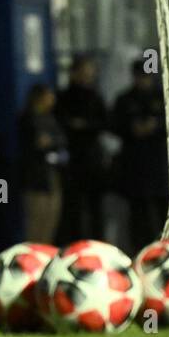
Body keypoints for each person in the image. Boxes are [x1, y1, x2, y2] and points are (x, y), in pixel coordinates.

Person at [112, 61, 168, 251]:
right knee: (139, 214)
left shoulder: (163, 97)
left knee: (164, 210)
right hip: (136, 166)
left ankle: (167, 248)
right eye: (140, 77)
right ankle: (141, 251)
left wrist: (156, 126)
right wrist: (133, 128)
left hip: (161, 165)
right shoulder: (125, 99)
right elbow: (114, 125)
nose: (144, 81)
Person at [55, 54, 108, 243]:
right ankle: (75, 244)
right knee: (73, 206)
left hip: (93, 159)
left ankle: (98, 243)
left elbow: (105, 122)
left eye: (90, 71)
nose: (88, 75)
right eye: (84, 71)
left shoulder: (95, 96)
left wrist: (83, 126)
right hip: (73, 159)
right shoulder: (64, 97)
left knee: (96, 206)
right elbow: (62, 123)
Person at [18, 83, 66, 244]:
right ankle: (32, 257)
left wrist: (51, 142)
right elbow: (38, 143)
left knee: (51, 217)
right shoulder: (27, 118)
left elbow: (61, 140)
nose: (52, 99)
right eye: (48, 96)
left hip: (51, 175)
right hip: (35, 178)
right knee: (36, 219)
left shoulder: (50, 118)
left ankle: (44, 256)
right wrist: (50, 143)